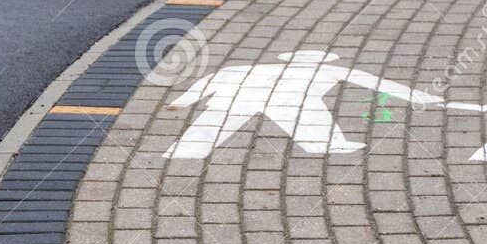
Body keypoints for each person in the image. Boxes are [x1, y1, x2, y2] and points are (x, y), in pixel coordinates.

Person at [164, 50, 444, 159]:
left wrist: (183, 102)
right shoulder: (327, 70)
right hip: (292, 101)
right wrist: (420, 97)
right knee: (311, 119)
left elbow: (210, 80)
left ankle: (187, 149)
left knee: (212, 124)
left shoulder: (247, 64)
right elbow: (373, 82)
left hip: (237, 98)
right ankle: (326, 145)